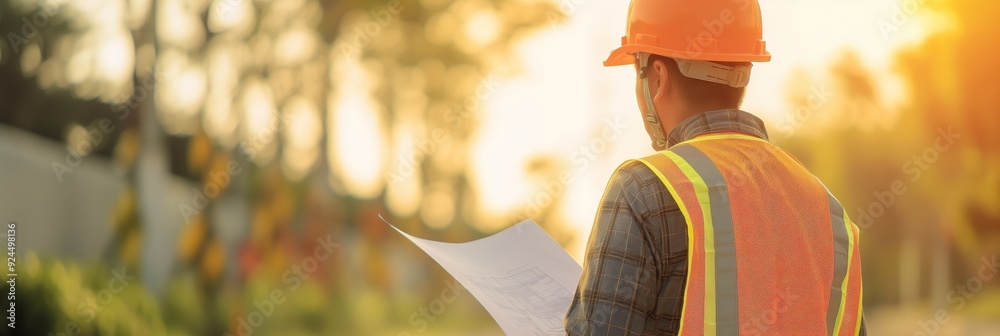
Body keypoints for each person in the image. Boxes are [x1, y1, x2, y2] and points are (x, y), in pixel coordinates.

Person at [564, 0, 866, 335]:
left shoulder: (641, 191)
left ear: (658, 78)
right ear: (744, 72)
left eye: (639, 71)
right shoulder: (830, 213)